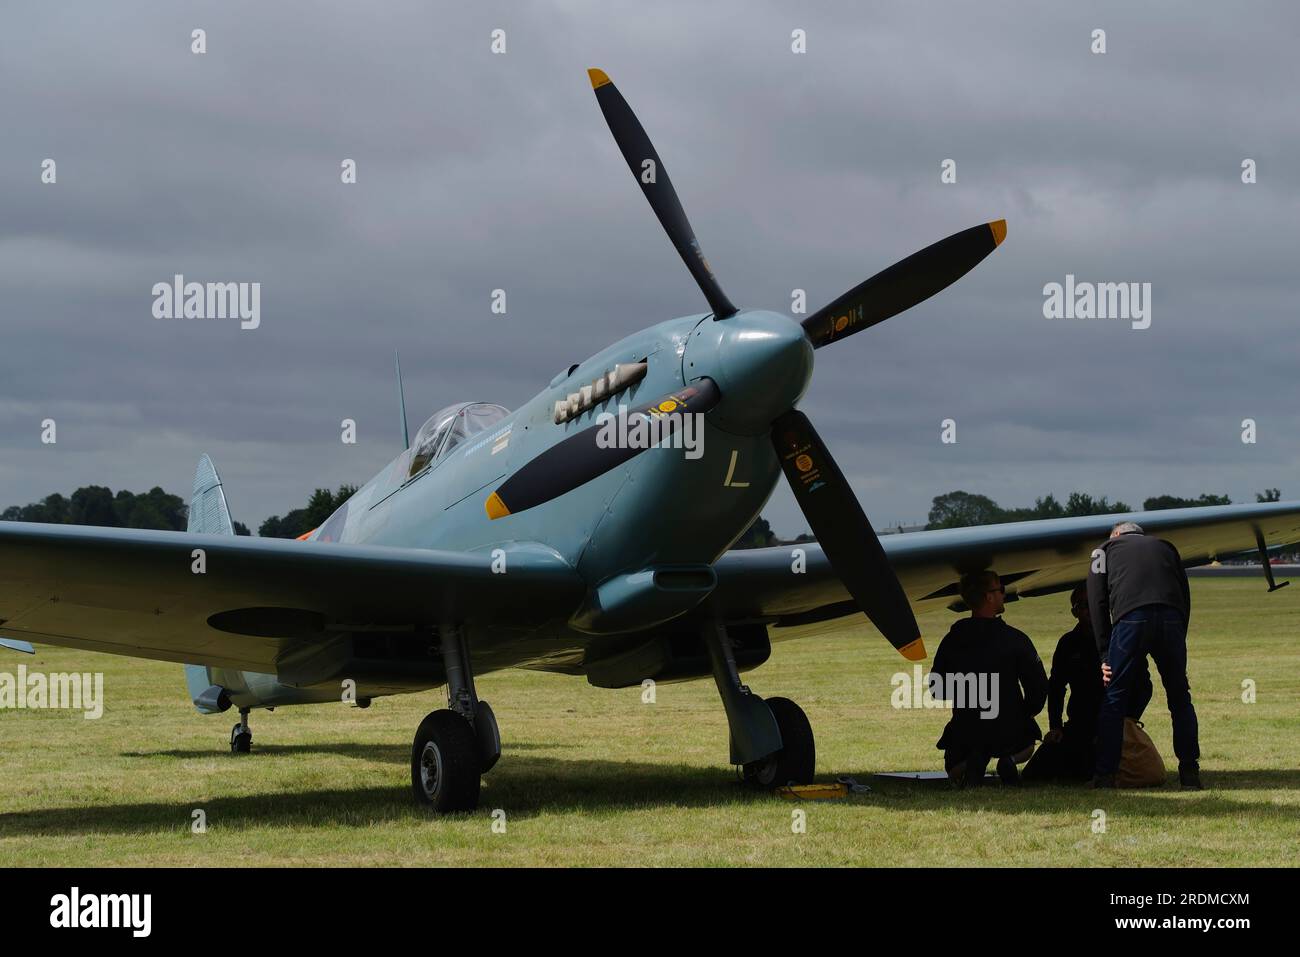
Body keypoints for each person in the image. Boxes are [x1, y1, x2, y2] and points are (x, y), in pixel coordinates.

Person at [1087, 521, 1201, 789]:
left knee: (1115, 698)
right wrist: (1178, 635)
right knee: (1180, 697)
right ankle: (1190, 773)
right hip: (1172, 617)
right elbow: (1184, 594)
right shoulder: (1166, 547)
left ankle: (1105, 775)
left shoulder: (1102, 551)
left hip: (1131, 618)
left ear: (1116, 535)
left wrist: (1105, 654)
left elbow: (1097, 602)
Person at [1022, 586, 1152, 782]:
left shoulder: (1121, 640)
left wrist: (1128, 721)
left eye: (1095, 605)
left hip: (1114, 724)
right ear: (1074, 612)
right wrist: (1055, 726)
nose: (1090, 611)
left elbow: (1144, 686)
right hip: (1079, 725)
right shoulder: (1068, 643)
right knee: (1033, 774)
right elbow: (1056, 687)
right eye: (1084, 606)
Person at [932, 570, 1048, 787]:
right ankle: (1010, 760)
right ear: (989, 596)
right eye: (1000, 590)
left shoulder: (952, 639)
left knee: (954, 768)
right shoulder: (1015, 639)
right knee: (1029, 741)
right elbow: (1038, 686)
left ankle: (969, 764)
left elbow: (937, 688)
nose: (1004, 594)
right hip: (1008, 728)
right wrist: (1025, 712)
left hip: (965, 728)